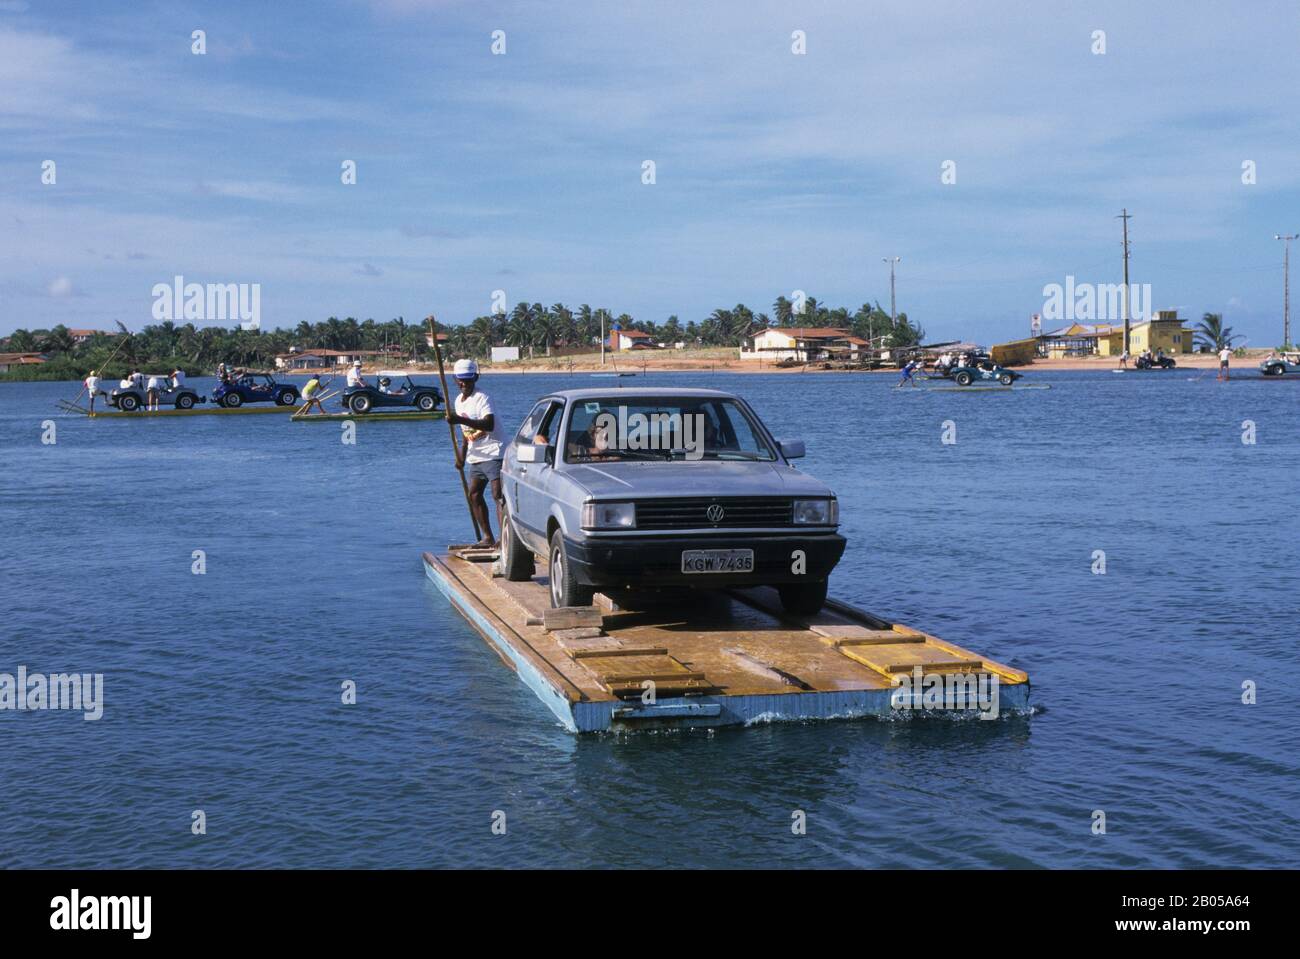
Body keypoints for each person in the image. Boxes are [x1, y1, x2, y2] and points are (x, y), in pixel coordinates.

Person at [445, 359, 508, 549]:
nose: (464, 384)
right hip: (476, 455)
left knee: (498, 495)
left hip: (494, 451)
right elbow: (465, 432)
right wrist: (461, 457)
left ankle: (504, 539)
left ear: (475, 378)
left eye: (468, 380)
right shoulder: (458, 401)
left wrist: (456, 419)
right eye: (461, 380)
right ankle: (487, 537)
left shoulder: (483, 398)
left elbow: (488, 424)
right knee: (473, 495)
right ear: (455, 380)